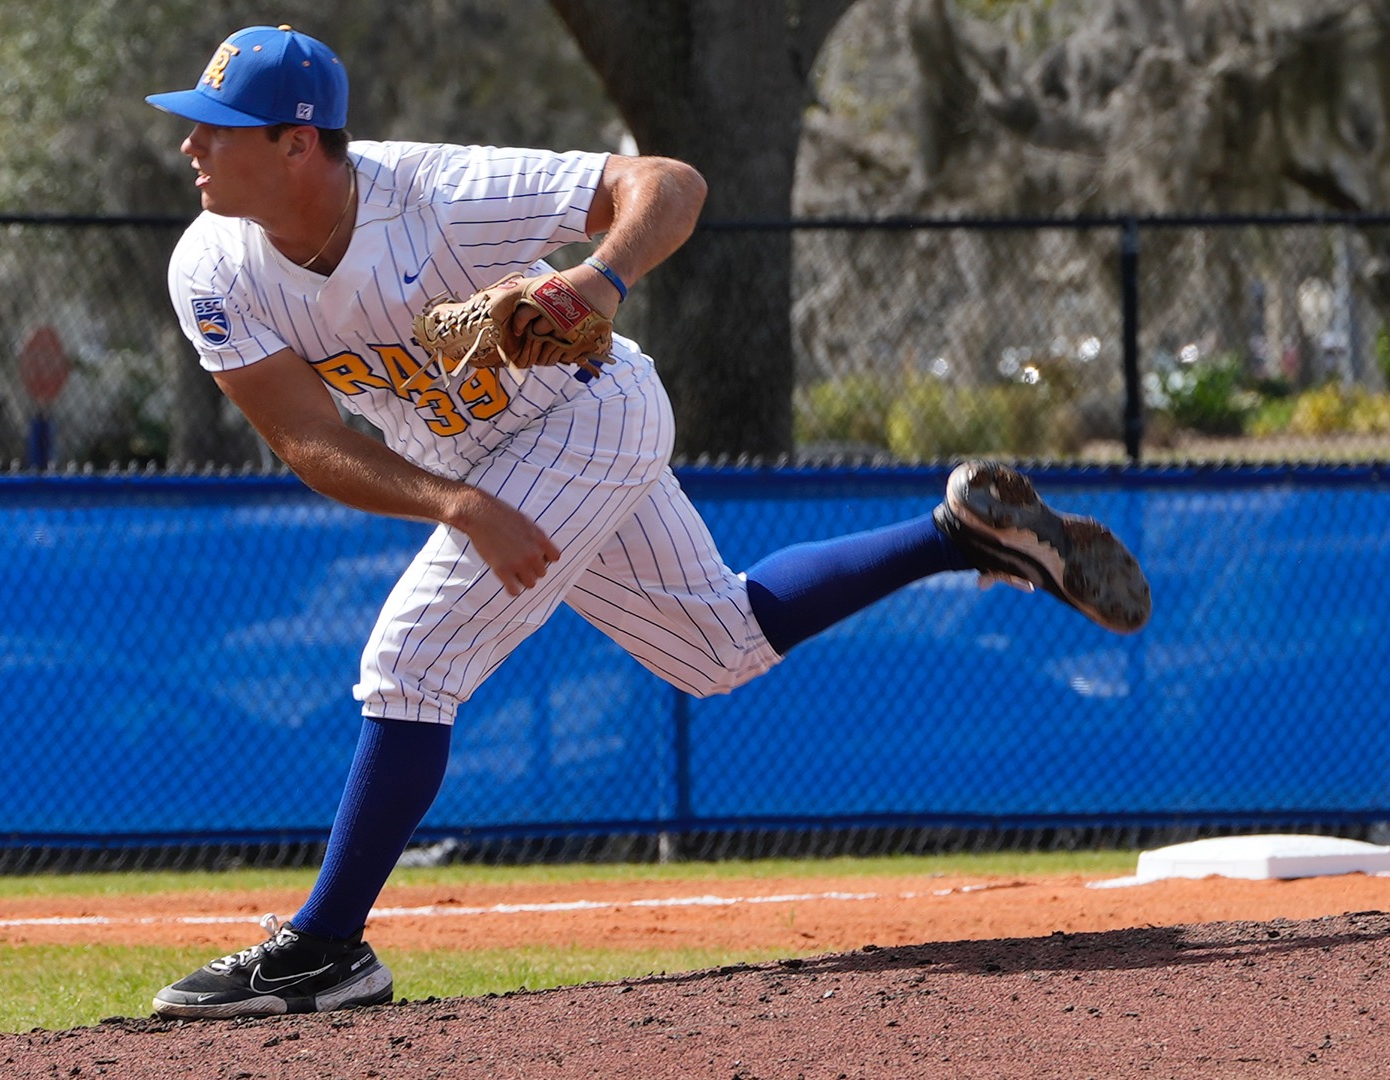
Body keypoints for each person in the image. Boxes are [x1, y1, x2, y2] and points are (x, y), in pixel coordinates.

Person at [143, 24, 1150, 1020]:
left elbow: (667, 184)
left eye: (220, 127)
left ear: (298, 141)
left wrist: (596, 277)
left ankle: (324, 949)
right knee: (718, 646)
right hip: (480, 463)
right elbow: (305, 437)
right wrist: (457, 505)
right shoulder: (213, 268)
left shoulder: (434, 196)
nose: (193, 143)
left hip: (589, 412)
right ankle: (960, 533)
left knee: (412, 660)